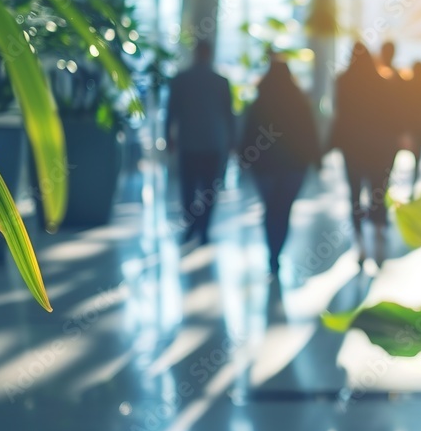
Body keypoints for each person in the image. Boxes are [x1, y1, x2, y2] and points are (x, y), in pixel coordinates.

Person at [240, 50, 321, 277]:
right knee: (283, 210)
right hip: (294, 166)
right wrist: (316, 158)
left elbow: (248, 133)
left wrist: (244, 159)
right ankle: (277, 252)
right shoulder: (299, 102)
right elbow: (310, 132)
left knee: (269, 209)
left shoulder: (260, 100)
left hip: (265, 167)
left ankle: (272, 255)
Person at [329, 42, 401, 267]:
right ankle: (379, 228)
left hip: (352, 147)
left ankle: (359, 239)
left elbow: (339, 114)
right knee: (378, 188)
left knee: (354, 192)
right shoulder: (383, 82)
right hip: (379, 146)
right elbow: (392, 115)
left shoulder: (342, 81)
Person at [166, 40, 234, 245]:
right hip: (213, 142)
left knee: (188, 187)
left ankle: (191, 226)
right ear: (210, 54)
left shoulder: (181, 79)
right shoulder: (221, 81)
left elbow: (171, 112)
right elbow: (229, 115)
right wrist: (232, 141)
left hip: (189, 142)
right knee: (209, 189)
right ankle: (203, 229)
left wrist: (168, 136)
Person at [398, 61, 421, 200]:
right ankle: (413, 187)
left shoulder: (408, 86)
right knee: (417, 158)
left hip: (408, 126)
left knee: (399, 157)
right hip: (419, 127)